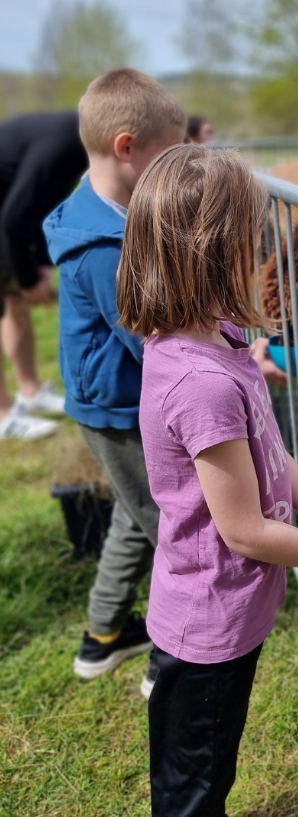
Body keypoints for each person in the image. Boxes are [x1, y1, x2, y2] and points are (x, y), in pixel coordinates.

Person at [116, 143, 298, 815]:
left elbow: (268, 452)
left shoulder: (223, 337)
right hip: (208, 623)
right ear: (215, 253)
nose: (264, 257)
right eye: (254, 241)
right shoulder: (199, 383)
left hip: (224, 612)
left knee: (204, 765)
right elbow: (245, 532)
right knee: (194, 786)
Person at [43, 69, 187, 697]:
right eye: (168, 155)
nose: (174, 169)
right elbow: (148, 336)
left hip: (115, 398)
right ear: (126, 147)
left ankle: (103, 637)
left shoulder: (101, 211)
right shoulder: (105, 245)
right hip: (121, 405)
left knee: (136, 513)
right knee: (174, 530)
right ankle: (172, 660)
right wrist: (214, 360)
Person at [0, 110, 88, 439]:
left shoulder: (78, 145)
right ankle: (3, 416)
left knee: (15, 303)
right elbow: (14, 218)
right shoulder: (64, 143)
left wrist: (41, 265)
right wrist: (27, 280)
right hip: (5, 216)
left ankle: (30, 391)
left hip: (5, 209)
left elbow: (44, 204)